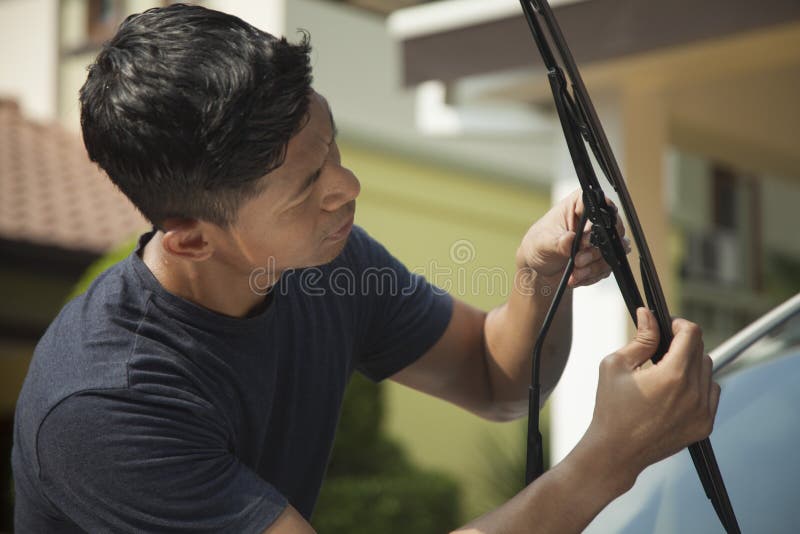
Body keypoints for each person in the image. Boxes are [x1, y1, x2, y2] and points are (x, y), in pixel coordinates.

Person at [11, 4, 720, 533]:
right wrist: (607, 460)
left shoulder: (319, 263)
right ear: (192, 241)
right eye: (306, 188)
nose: (347, 188)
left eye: (333, 148)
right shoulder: (107, 408)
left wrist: (538, 277)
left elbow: (493, 378)